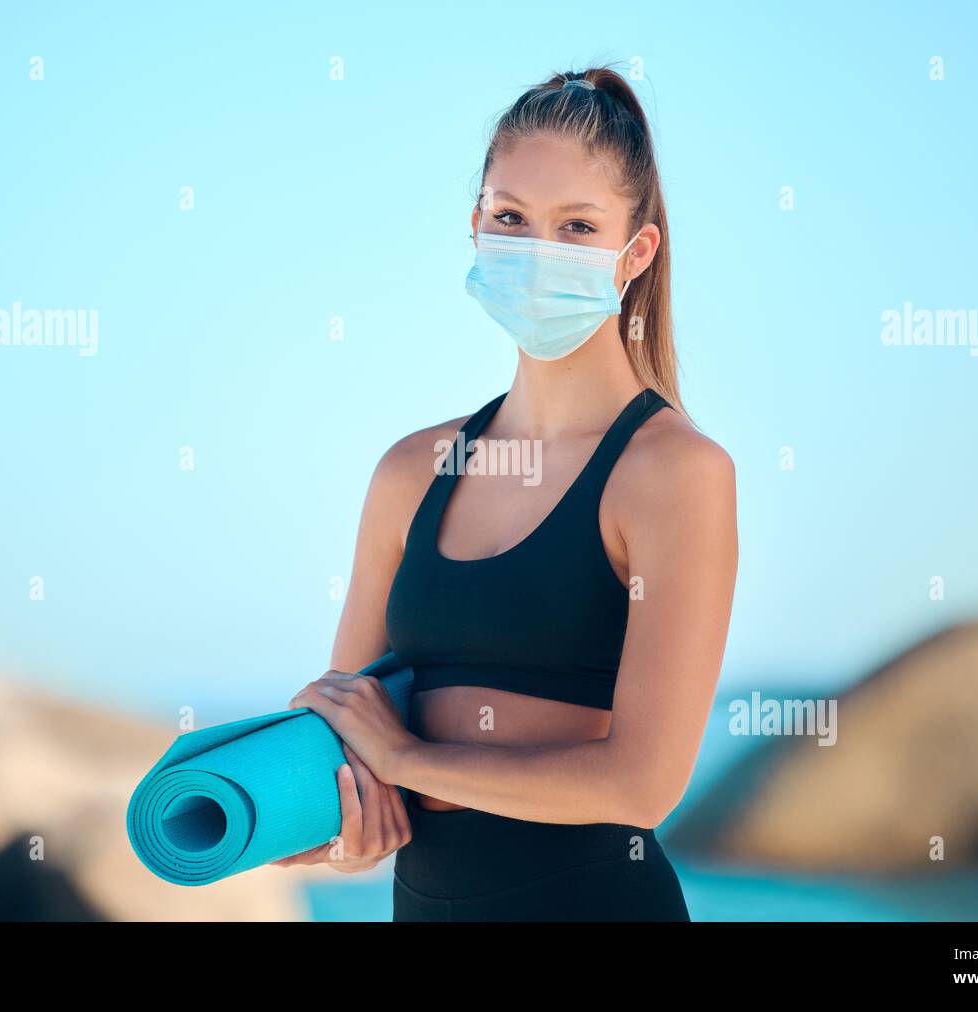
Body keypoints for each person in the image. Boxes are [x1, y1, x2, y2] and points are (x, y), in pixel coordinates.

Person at [277, 65, 738, 921]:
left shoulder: (676, 475)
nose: (536, 253)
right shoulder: (408, 473)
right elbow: (351, 750)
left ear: (634, 254)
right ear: (476, 228)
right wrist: (332, 825)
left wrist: (407, 760)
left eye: (576, 228)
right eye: (513, 220)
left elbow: (642, 784)